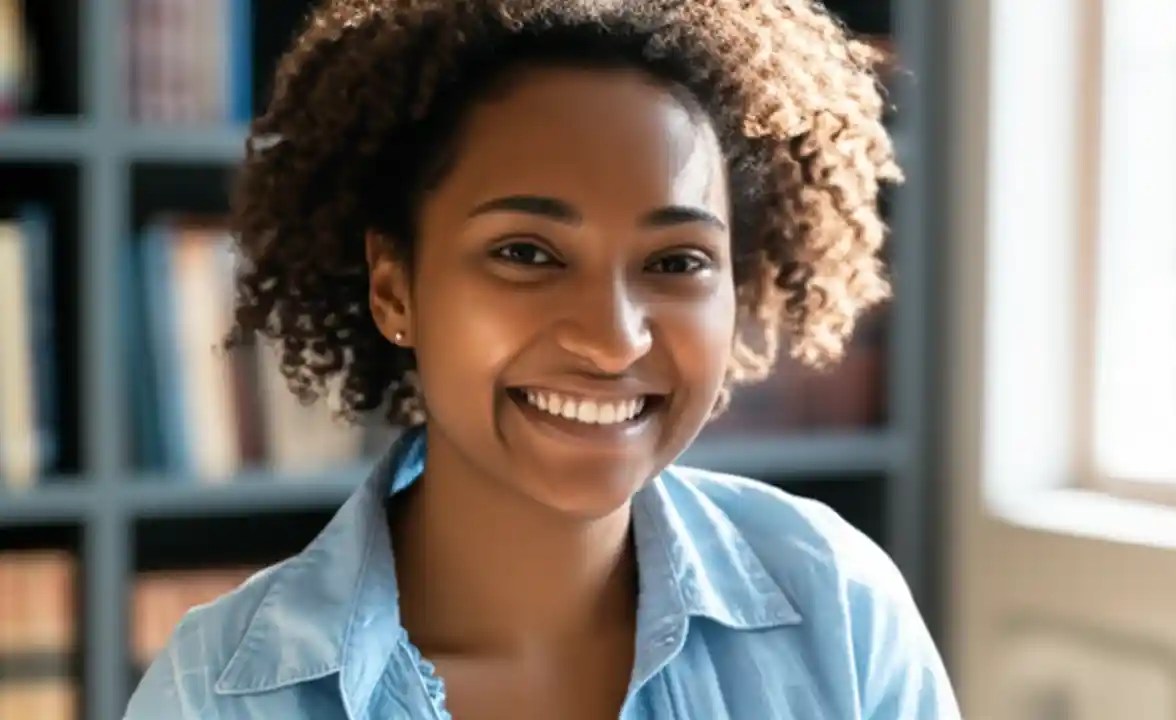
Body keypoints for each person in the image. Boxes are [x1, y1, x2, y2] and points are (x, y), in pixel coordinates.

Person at [125, 0, 960, 717]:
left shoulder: (839, 613)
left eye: (676, 262)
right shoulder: (220, 693)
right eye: (526, 252)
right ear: (395, 290)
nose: (613, 338)